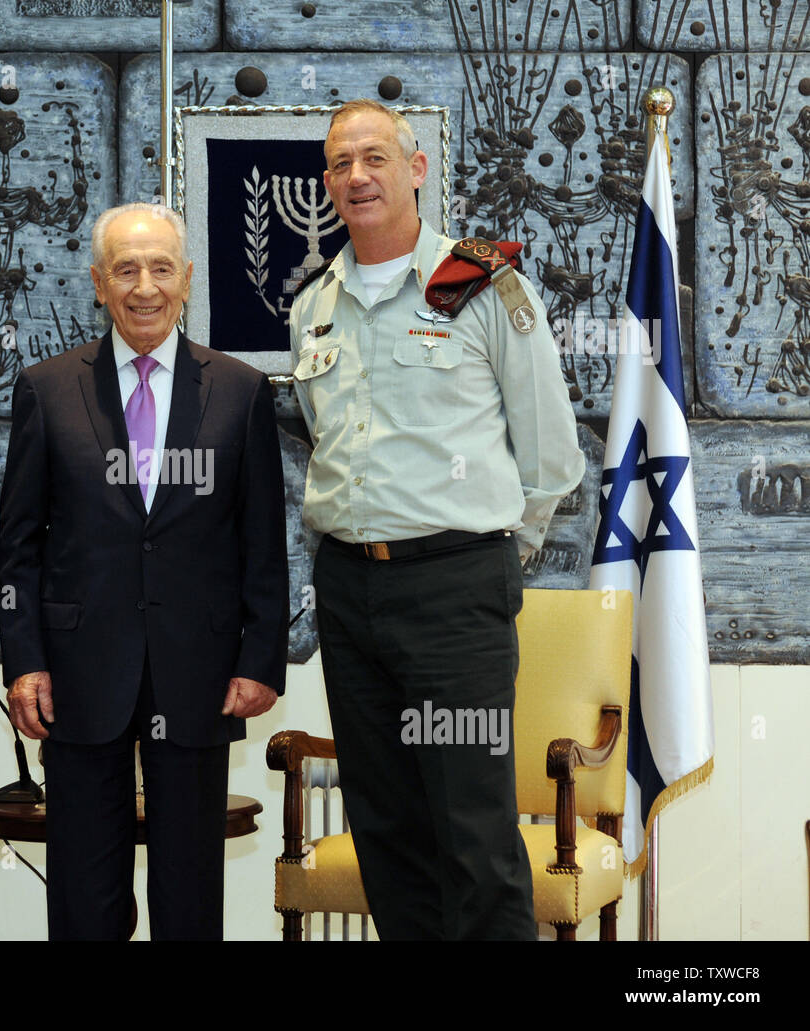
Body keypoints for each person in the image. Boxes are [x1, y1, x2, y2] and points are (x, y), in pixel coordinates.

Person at [289, 99, 585, 940]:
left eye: (376, 157)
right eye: (341, 164)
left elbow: (552, 454)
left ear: (417, 169)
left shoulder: (483, 285)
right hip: (350, 592)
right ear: (328, 186)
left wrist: (486, 555)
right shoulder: (314, 305)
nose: (357, 176)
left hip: (456, 594)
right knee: (388, 835)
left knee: (473, 834)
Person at [0, 202, 290, 941]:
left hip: (199, 670)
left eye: (161, 267)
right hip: (78, 671)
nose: (145, 286)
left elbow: (262, 543)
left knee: (189, 894)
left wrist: (262, 660)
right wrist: (25, 660)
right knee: (84, 895)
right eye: (126, 269)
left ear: (187, 278)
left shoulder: (242, 390)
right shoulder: (47, 387)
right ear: (98, 282)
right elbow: (19, 544)